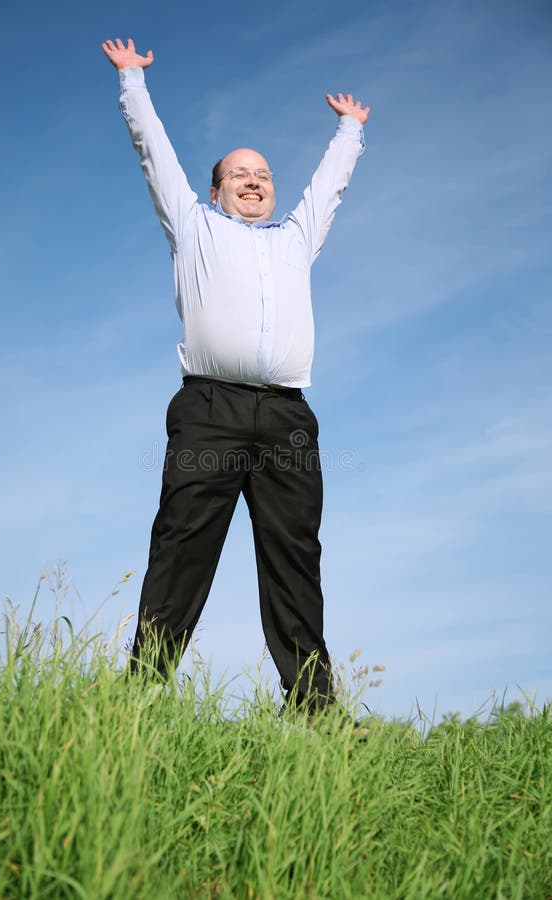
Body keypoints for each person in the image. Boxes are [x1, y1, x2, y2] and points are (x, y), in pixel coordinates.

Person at [101, 37, 370, 711]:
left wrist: (350, 130)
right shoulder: (195, 229)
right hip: (209, 410)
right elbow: (154, 154)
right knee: (182, 547)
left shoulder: (294, 240)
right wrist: (133, 83)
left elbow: (327, 189)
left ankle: (314, 712)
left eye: (263, 175)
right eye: (240, 174)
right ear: (217, 190)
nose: (255, 180)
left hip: (286, 418)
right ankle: (139, 702)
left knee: (294, 560)